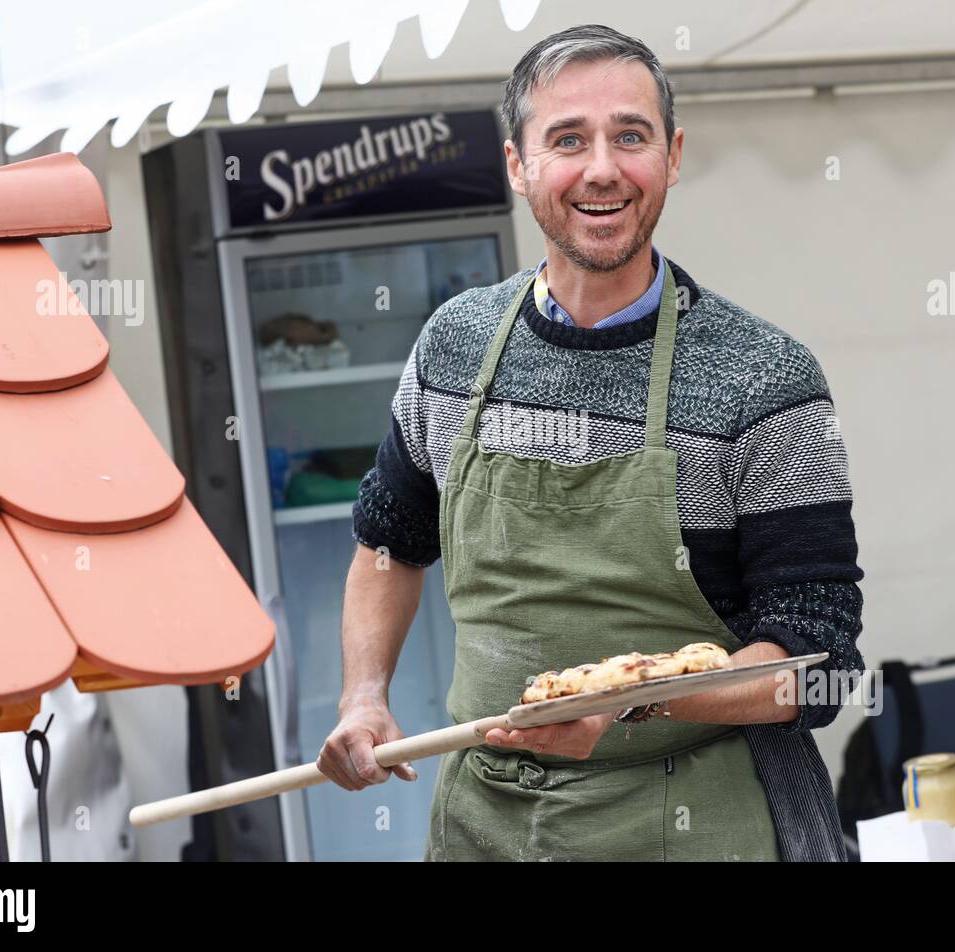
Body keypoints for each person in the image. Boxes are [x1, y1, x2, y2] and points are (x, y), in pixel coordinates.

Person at [319, 23, 864, 862]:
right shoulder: (453, 346)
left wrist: (638, 699)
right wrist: (363, 698)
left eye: (631, 136)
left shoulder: (766, 379)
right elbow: (388, 546)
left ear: (672, 156)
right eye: (567, 140)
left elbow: (818, 668)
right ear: (517, 166)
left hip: (699, 824)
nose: (602, 168)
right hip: (486, 826)